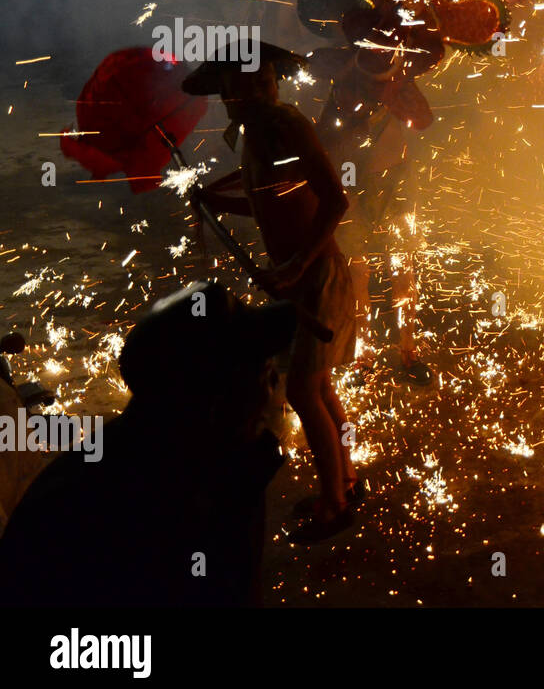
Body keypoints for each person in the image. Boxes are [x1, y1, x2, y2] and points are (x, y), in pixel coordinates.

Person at [0, 282, 291, 606]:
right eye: (262, 372)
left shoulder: (227, 461)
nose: (274, 386)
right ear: (214, 401)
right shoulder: (111, 515)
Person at [184, 43, 360, 544]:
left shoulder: (286, 125)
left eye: (266, 81)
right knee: (319, 387)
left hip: (319, 274)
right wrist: (215, 195)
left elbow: (335, 199)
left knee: (304, 390)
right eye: (247, 85)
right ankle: (344, 480)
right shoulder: (255, 133)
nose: (261, 91)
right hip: (297, 278)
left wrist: (296, 264)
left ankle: (335, 506)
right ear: (227, 93)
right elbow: (263, 193)